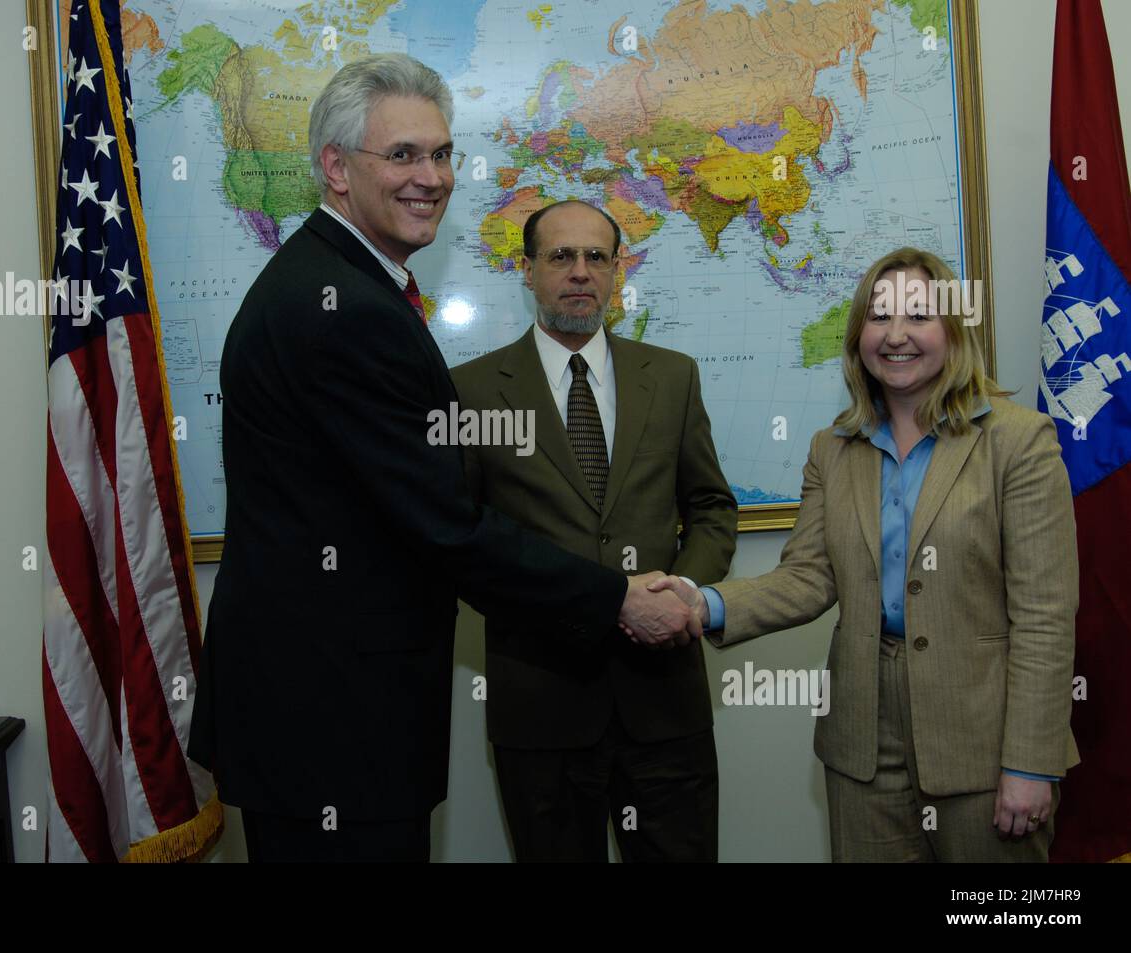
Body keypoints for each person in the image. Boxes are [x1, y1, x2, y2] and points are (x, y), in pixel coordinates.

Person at [186, 54, 692, 863]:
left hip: (320, 715)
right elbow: (443, 525)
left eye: (442, 153)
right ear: (335, 168)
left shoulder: (340, 283)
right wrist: (614, 597)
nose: (433, 177)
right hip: (335, 724)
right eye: (404, 156)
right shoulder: (344, 308)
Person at [649, 247, 1079, 862]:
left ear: (954, 330)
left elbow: (1045, 616)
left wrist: (1031, 763)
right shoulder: (834, 447)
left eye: (918, 316)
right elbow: (807, 577)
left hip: (984, 733)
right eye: (879, 318)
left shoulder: (1017, 441)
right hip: (862, 736)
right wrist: (700, 601)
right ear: (857, 337)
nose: (896, 336)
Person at [451, 200, 737, 861]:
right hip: (542, 707)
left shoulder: (671, 377)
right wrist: (589, 603)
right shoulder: (470, 392)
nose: (579, 272)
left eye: (596, 257)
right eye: (560, 256)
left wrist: (685, 593)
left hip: (665, 702)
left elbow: (713, 507)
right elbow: (463, 545)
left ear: (617, 269)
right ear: (526, 270)